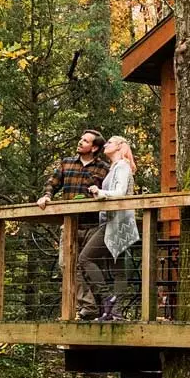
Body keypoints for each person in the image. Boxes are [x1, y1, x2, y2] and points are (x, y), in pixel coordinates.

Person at [38, 129, 110, 319]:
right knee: (65, 265)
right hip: (69, 225)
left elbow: (109, 193)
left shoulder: (103, 168)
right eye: (80, 139)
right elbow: (52, 183)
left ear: (94, 147)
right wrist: (46, 196)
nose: (80, 142)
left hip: (92, 225)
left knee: (88, 266)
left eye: (85, 141)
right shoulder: (67, 163)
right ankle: (88, 305)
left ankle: (99, 311)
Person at [82, 136, 140, 320]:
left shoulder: (122, 166)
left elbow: (120, 192)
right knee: (118, 269)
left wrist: (100, 192)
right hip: (116, 221)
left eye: (109, 142)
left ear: (120, 146)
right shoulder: (116, 167)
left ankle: (108, 297)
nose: (105, 145)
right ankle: (115, 312)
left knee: (84, 259)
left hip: (116, 222)